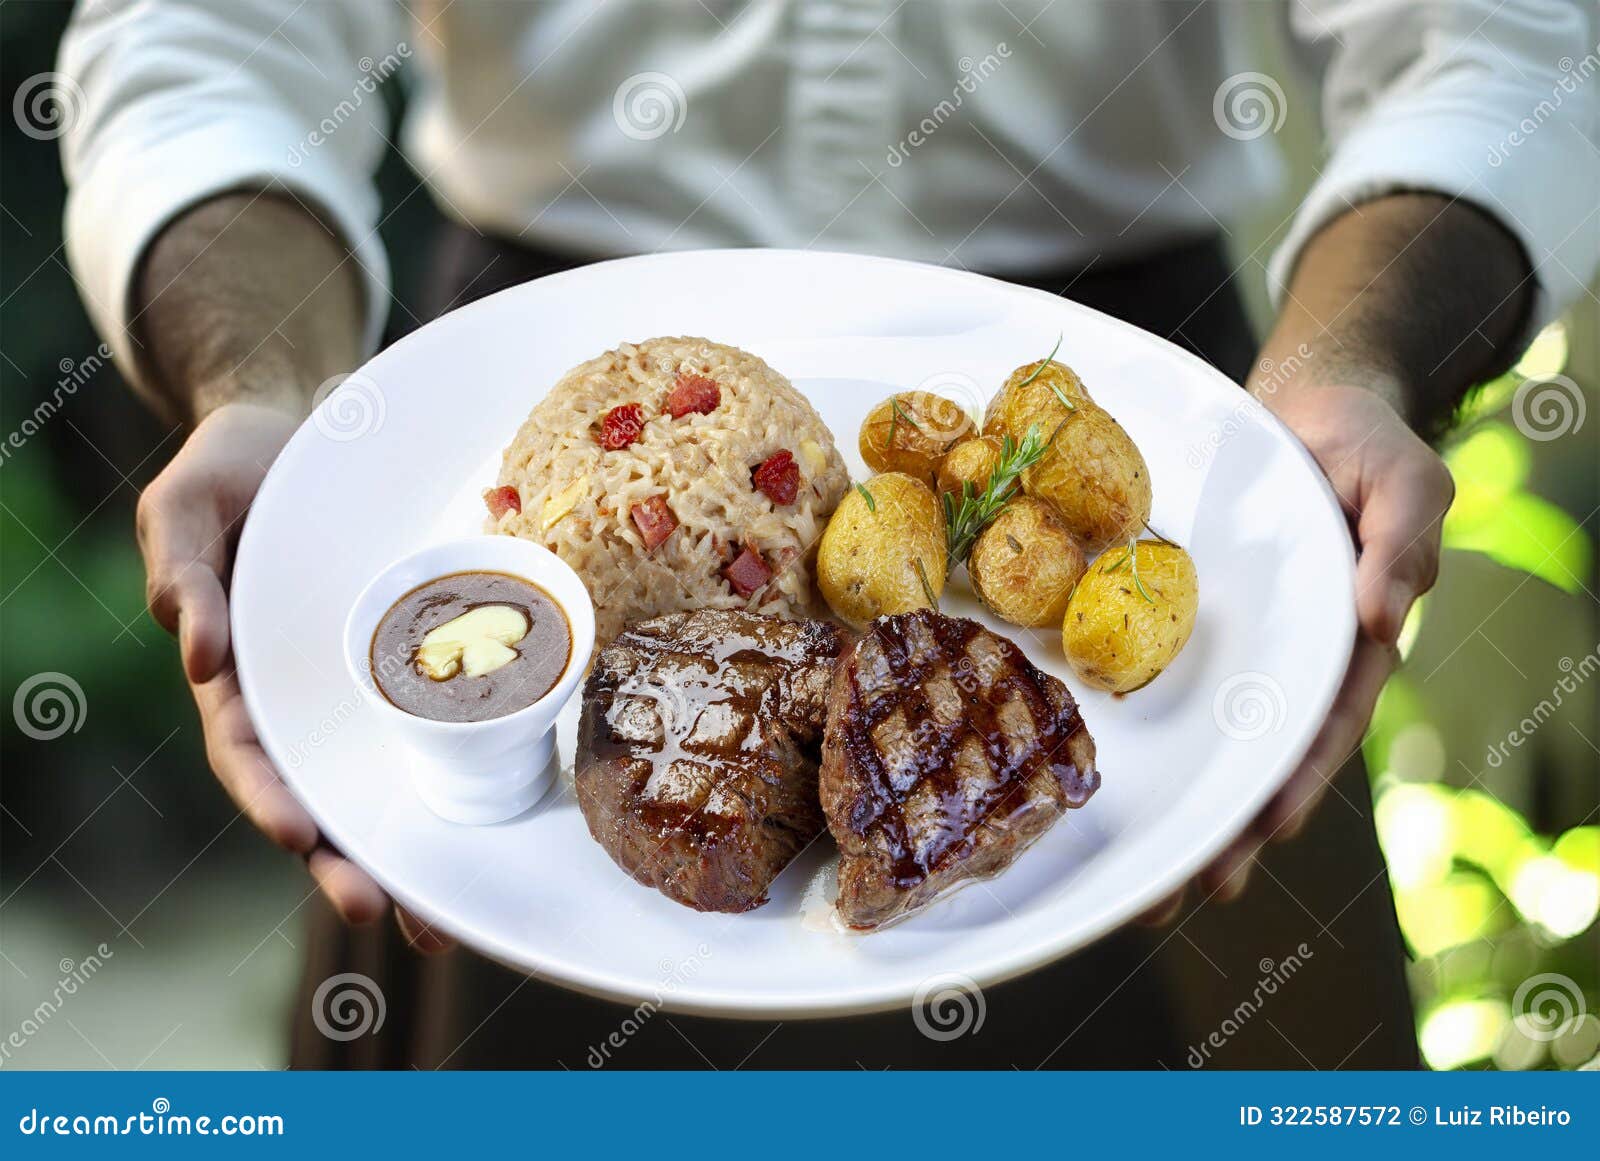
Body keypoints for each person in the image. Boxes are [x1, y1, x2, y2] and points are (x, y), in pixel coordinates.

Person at [58, 0, 1598, 1068]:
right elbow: (202, 41)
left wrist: (1349, 368)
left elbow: (1509, 47)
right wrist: (260, 385)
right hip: (527, 383)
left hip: (1137, 397)